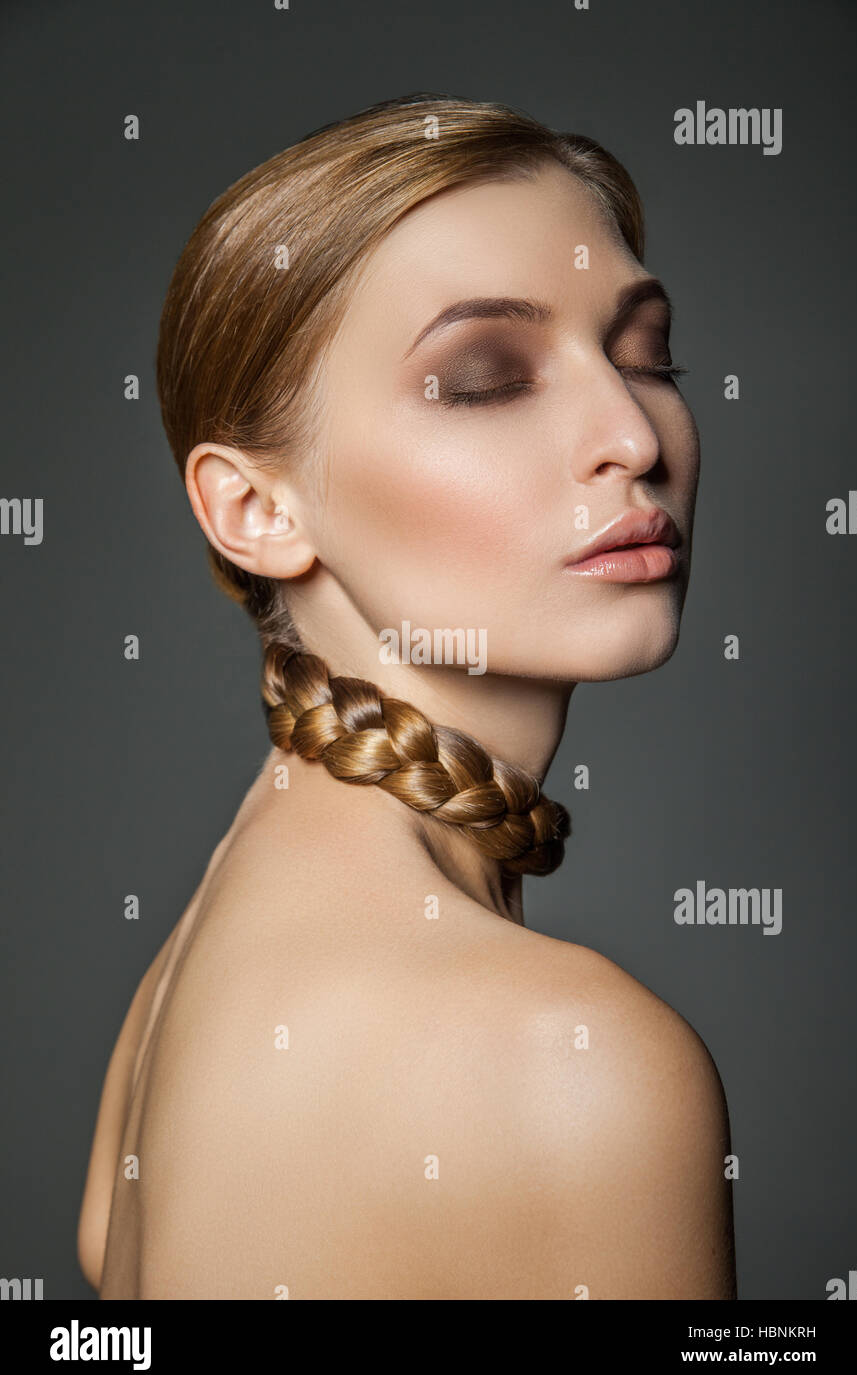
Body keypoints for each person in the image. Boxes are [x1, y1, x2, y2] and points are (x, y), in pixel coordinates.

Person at [78, 93, 736, 1300]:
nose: (630, 436)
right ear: (257, 511)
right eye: (483, 378)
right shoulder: (573, 1061)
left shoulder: (187, 973)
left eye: (646, 356)